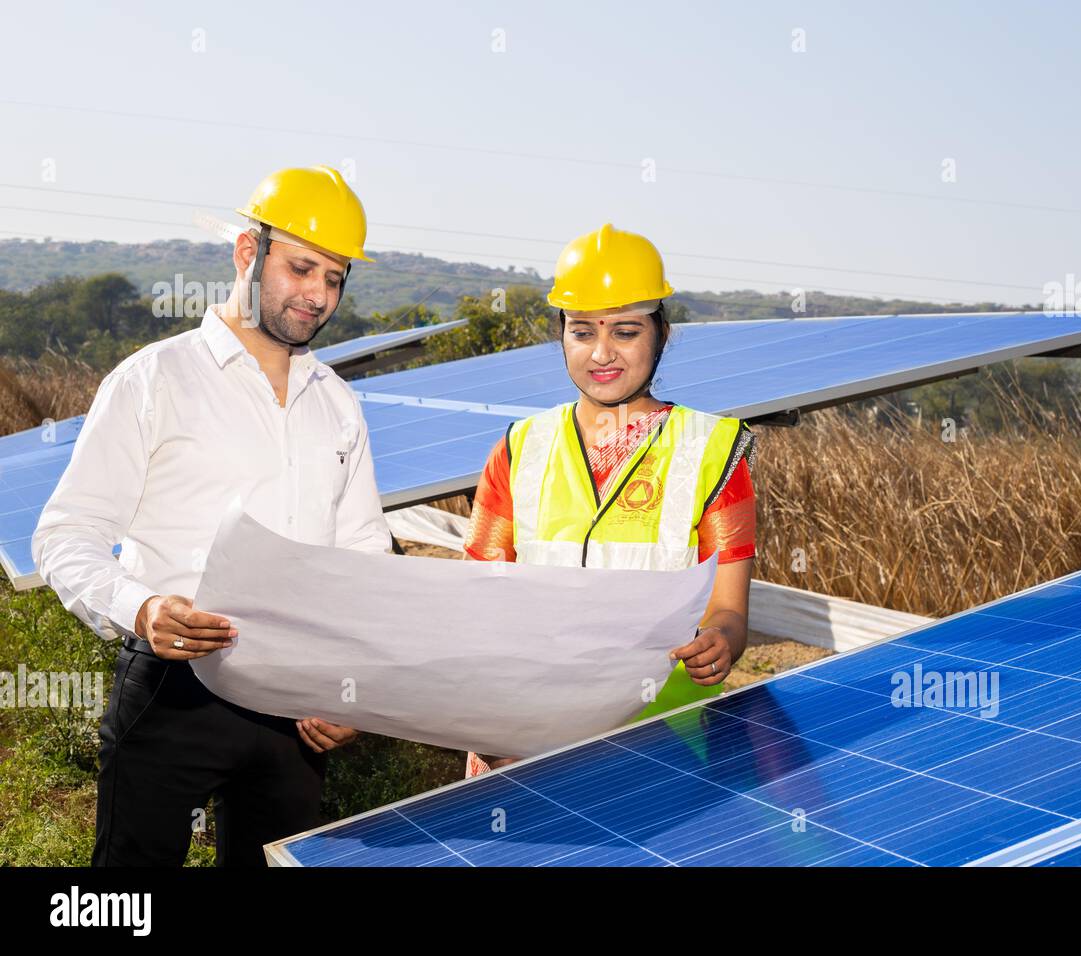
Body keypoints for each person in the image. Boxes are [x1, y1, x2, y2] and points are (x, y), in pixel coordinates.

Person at [32, 165, 392, 866]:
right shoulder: (153, 380)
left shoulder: (338, 404)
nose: (318, 295)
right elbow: (65, 534)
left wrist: (355, 687)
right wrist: (141, 608)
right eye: (301, 268)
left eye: (335, 277)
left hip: (298, 703)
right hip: (175, 691)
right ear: (246, 254)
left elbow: (364, 562)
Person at [461, 223, 757, 776]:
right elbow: (477, 602)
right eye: (581, 331)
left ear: (661, 334)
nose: (602, 353)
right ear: (561, 335)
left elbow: (730, 611)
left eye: (624, 331)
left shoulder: (714, 453)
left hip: (663, 747)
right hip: (524, 741)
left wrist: (720, 641)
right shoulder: (517, 448)